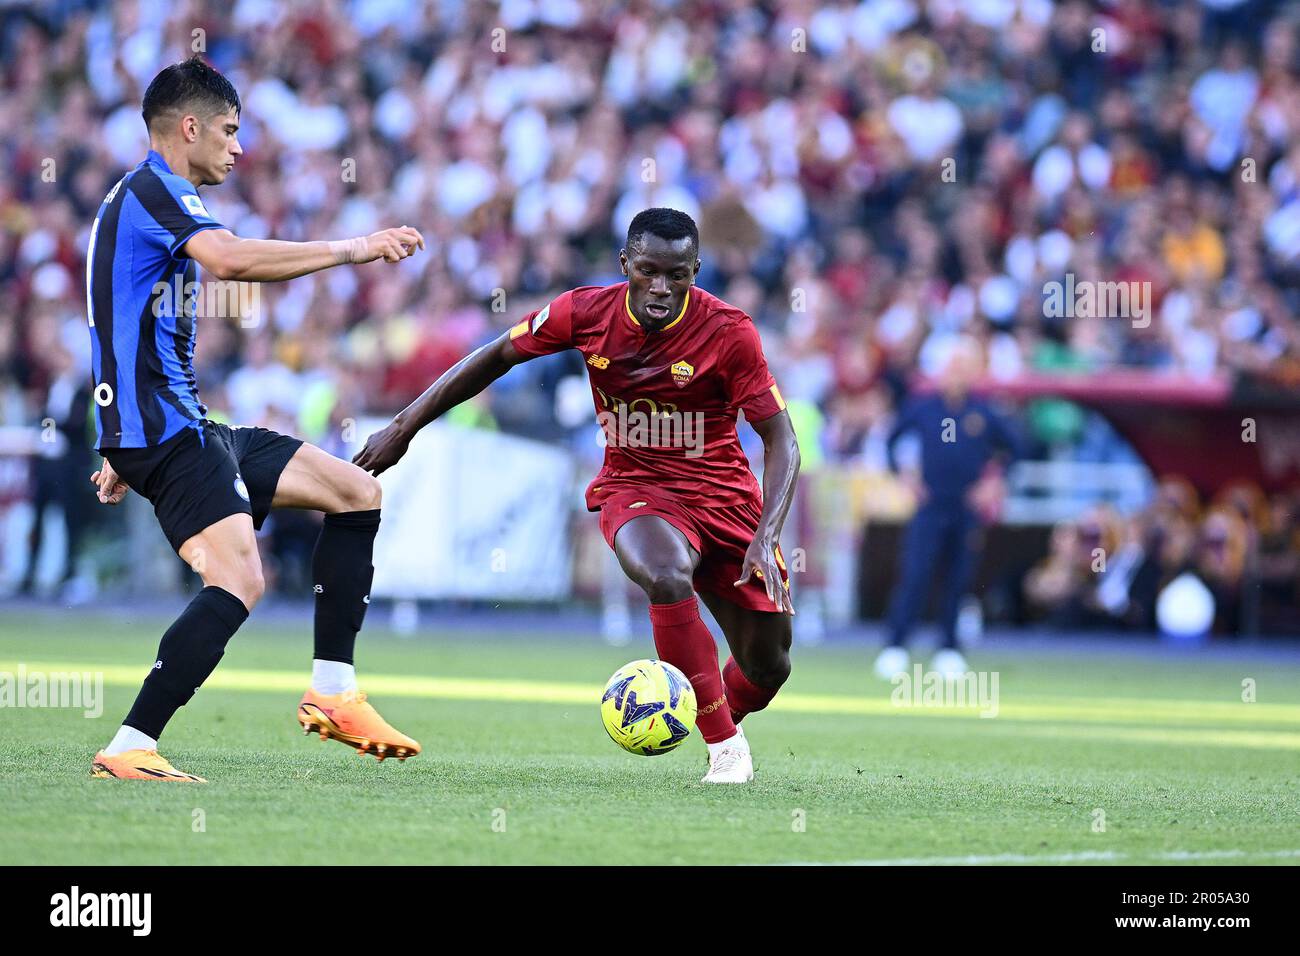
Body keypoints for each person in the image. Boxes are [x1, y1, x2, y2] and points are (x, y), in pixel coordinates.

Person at [355, 208, 801, 784]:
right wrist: (403, 427)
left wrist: (766, 537)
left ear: (696, 270)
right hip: (637, 488)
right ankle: (726, 751)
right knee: (665, 573)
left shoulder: (729, 331)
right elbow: (493, 357)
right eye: (648, 271)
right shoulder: (584, 312)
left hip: (728, 503)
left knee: (769, 665)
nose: (662, 288)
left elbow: (781, 440)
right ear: (625, 265)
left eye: (678, 275)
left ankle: (704, 711)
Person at [86, 57, 426, 782]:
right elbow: (231, 262)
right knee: (239, 578)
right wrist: (353, 247)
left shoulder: (138, 199)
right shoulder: (155, 190)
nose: (239, 149)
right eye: (230, 131)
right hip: (168, 431)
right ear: (189, 127)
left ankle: (333, 692)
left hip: (176, 425)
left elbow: (119, 318)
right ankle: (130, 743)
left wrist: (117, 440)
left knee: (356, 493)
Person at [874, 337, 1022, 679]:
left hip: (965, 507)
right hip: (931, 506)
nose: (956, 375)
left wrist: (994, 484)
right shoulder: (923, 407)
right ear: (941, 372)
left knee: (959, 579)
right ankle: (895, 646)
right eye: (952, 367)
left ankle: (949, 649)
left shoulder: (983, 412)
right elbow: (892, 439)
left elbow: (1016, 447)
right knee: (915, 575)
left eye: (963, 368)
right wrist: (905, 477)